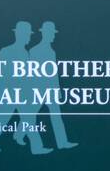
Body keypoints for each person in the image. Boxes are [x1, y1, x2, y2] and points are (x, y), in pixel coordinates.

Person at [0, 21, 49, 154]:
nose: (29, 37)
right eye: (27, 34)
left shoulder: (25, 53)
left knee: (29, 118)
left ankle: (36, 147)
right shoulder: (6, 51)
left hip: (21, 93)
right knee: (1, 120)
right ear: (20, 35)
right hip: (9, 93)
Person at [27, 21, 78, 150]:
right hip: (38, 90)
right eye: (51, 33)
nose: (54, 36)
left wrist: (57, 91)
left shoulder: (51, 52)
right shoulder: (34, 51)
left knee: (56, 116)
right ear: (45, 34)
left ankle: (62, 143)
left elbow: (53, 74)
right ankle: (24, 137)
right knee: (30, 117)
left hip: (50, 90)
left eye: (53, 33)